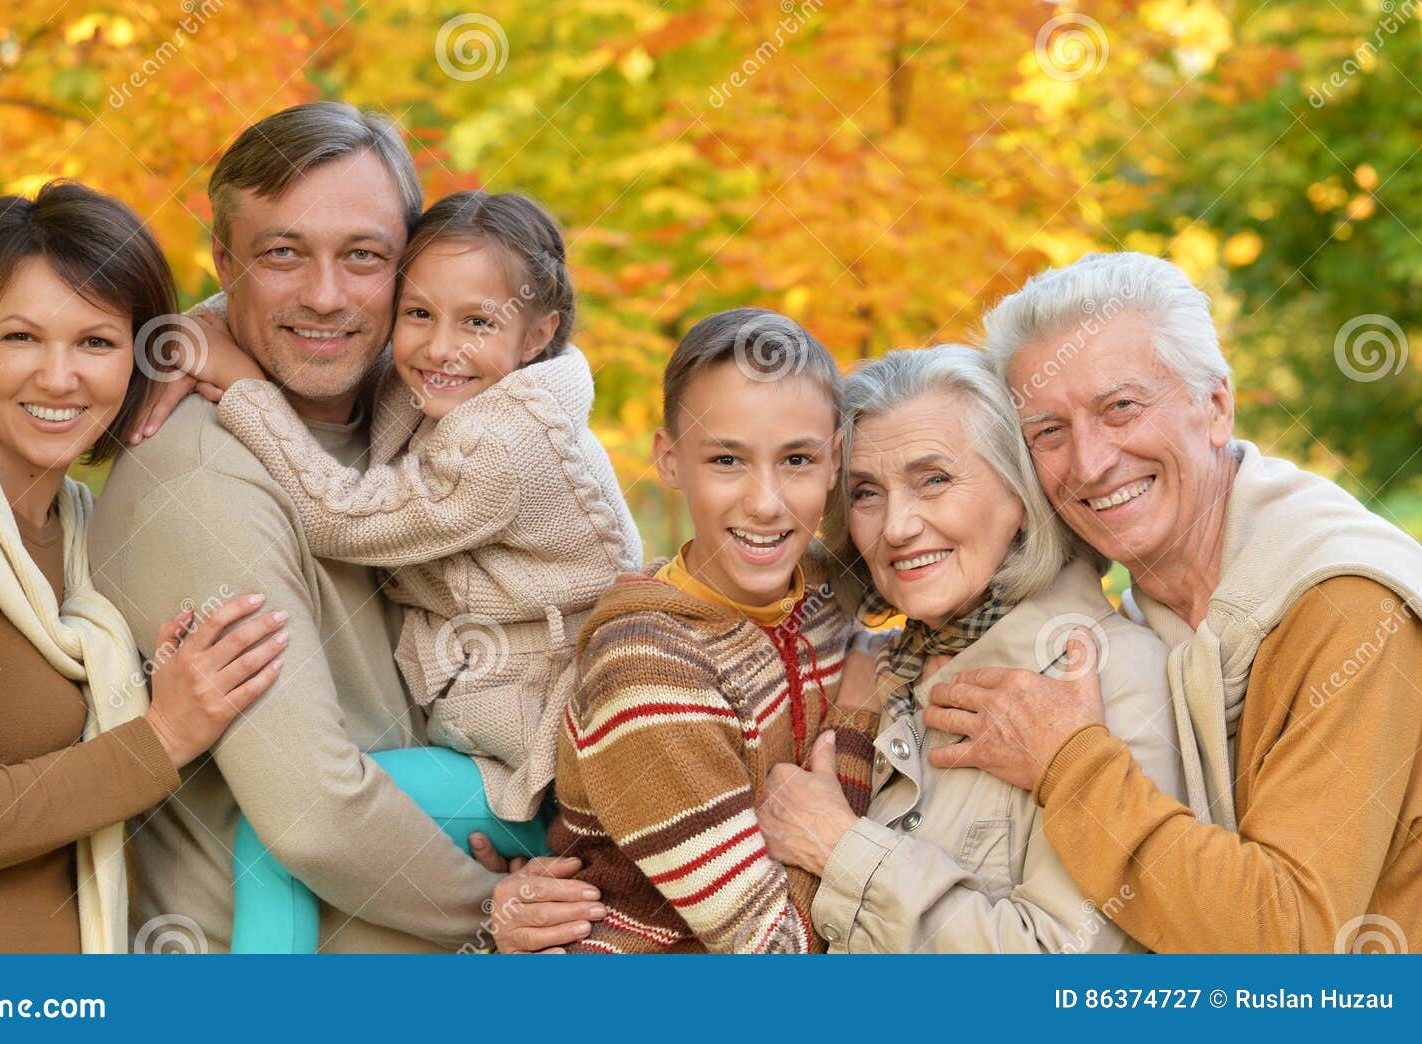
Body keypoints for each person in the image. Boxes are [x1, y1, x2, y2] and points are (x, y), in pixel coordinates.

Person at [149, 188, 642, 951]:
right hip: (496, 744)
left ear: (539, 332)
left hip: (538, 769)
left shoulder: (502, 446)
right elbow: (319, 325)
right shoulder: (459, 386)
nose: (439, 347)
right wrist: (209, 321)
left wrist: (242, 387)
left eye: (477, 322)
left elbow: (341, 516)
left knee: (280, 837)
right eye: (418, 315)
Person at [87, 102, 509, 954]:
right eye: (281, 254)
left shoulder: (420, 412)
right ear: (224, 261)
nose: (325, 295)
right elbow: (315, 813)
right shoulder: (200, 478)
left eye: (363, 256)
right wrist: (514, 914)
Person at [0, 182, 284, 954]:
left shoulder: (68, 524)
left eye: (96, 343)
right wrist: (161, 736)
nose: (59, 378)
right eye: (22, 338)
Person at [925, 252, 1422, 952]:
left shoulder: (1347, 608)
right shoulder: (1136, 623)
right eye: (1048, 433)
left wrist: (1069, 765)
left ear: (1216, 407)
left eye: (1121, 408)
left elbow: (1293, 942)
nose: (1091, 462)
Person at [751, 344, 1183, 952]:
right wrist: (578, 880)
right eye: (867, 493)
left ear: (1020, 499)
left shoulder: (1117, 672)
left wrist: (841, 849)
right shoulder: (862, 666)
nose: (896, 526)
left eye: (935, 480)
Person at [541, 308, 848, 953]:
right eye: (727, 460)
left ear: (836, 461)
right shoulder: (645, 666)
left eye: (797, 459)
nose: (766, 503)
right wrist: (860, 720)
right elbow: (776, 954)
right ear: (671, 461)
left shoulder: (827, 590)